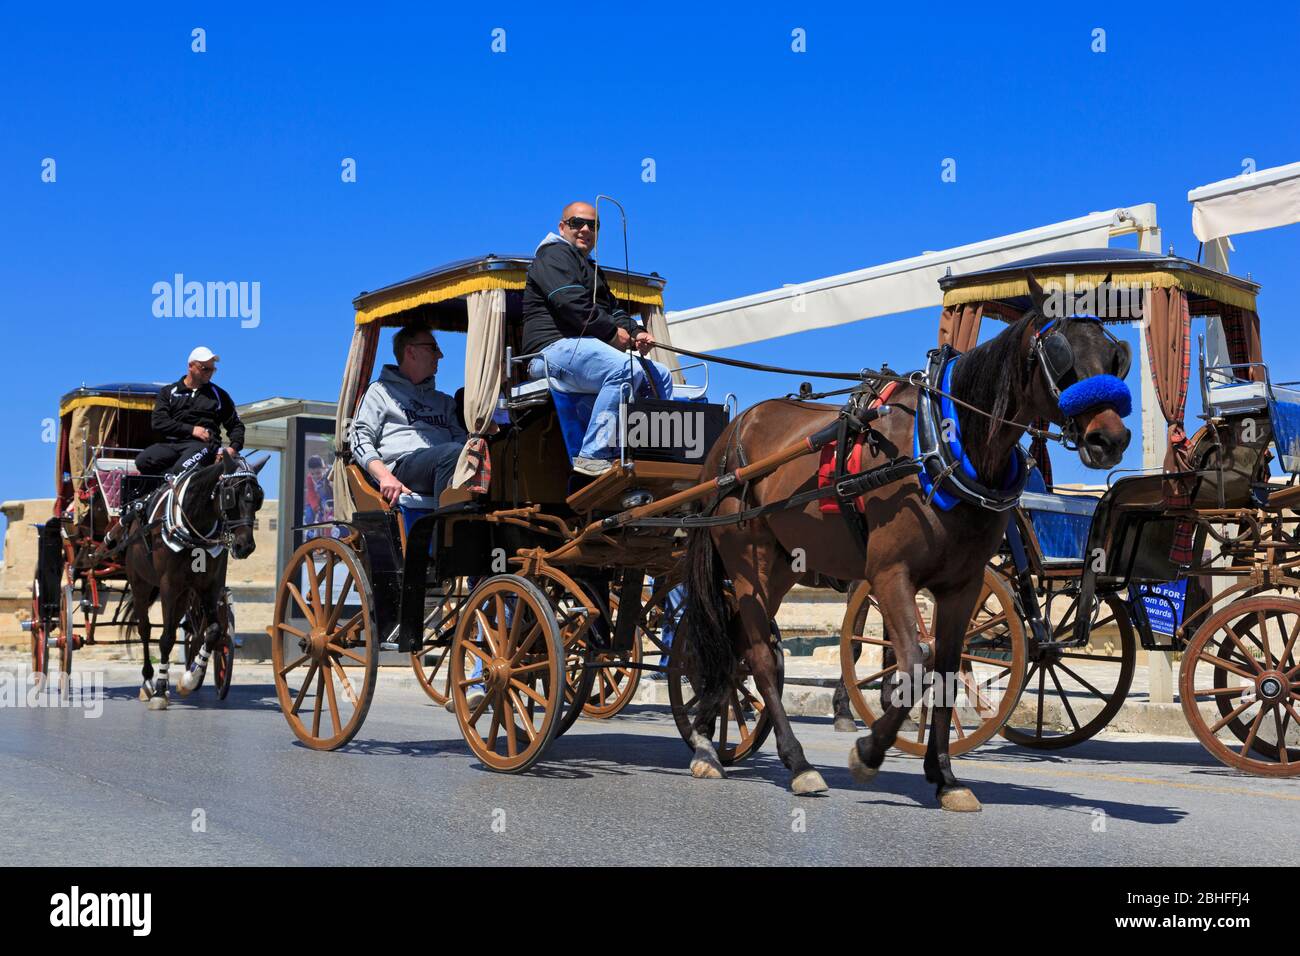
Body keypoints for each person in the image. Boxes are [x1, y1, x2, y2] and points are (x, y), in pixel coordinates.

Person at [522, 200, 674, 476]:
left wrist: (638, 332)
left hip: (583, 351)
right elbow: (571, 304)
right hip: (549, 351)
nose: (584, 229)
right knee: (624, 368)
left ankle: (655, 450)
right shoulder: (552, 256)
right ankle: (592, 455)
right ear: (561, 226)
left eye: (592, 225)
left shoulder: (591, 269)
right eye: (576, 223)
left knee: (662, 375)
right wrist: (612, 334)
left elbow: (613, 310)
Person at [351, 324, 468, 505]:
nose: (440, 355)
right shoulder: (380, 391)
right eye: (433, 348)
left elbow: (463, 444)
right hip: (403, 467)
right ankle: (446, 531)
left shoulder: (445, 402)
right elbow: (359, 438)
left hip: (446, 464)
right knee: (453, 454)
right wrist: (385, 477)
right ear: (411, 352)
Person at [135, 346, 245, 477]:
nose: (209, 373)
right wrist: (192, 429)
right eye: (205, 369)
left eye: (213, 369)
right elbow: (158, 422)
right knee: (142, 461)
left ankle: (179, 481)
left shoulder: (219, 395)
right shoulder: (168, 392)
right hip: (173, 445)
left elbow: (236, 425)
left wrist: (233, 448)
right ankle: (165, 488)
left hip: (204, 446)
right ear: (190, 366)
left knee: (181, 469)